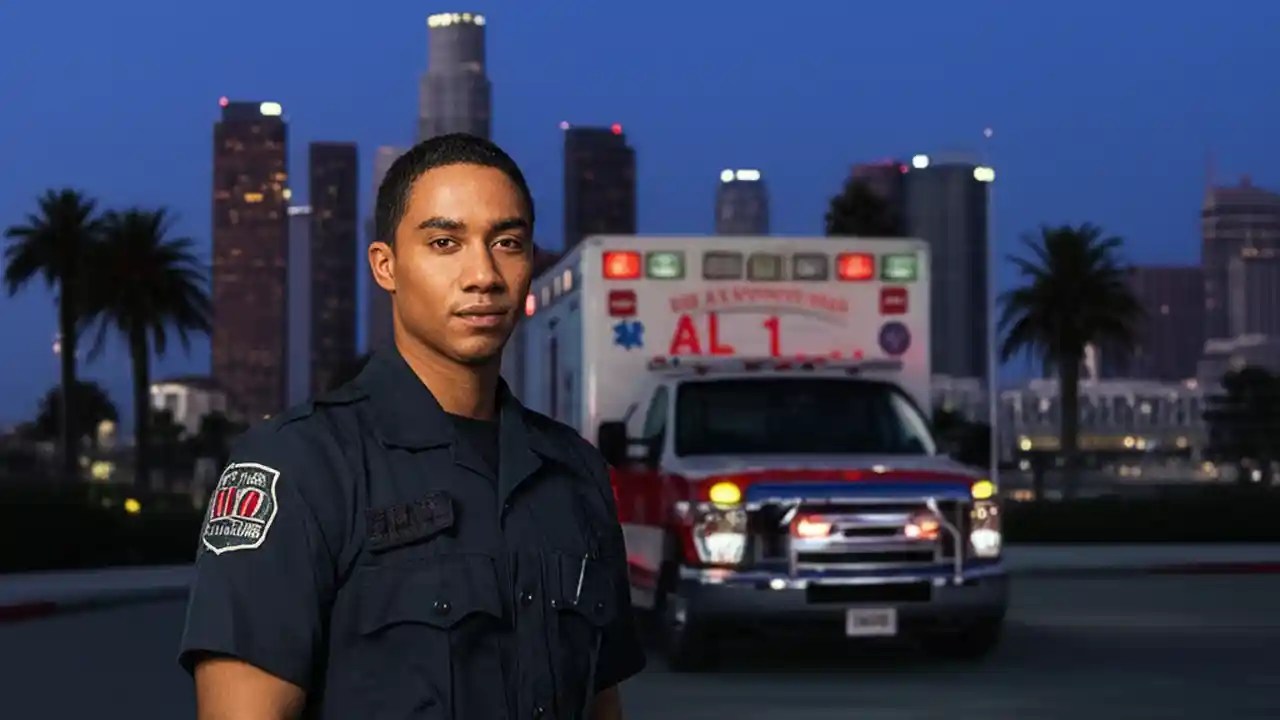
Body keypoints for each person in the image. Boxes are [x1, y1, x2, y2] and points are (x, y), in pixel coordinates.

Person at [178, 133, 646, 719]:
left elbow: (602, 703)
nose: (483, 275)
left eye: (507, 242)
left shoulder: (575, 475)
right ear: (386, 266)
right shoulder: (300, 465)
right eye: (445, 242)